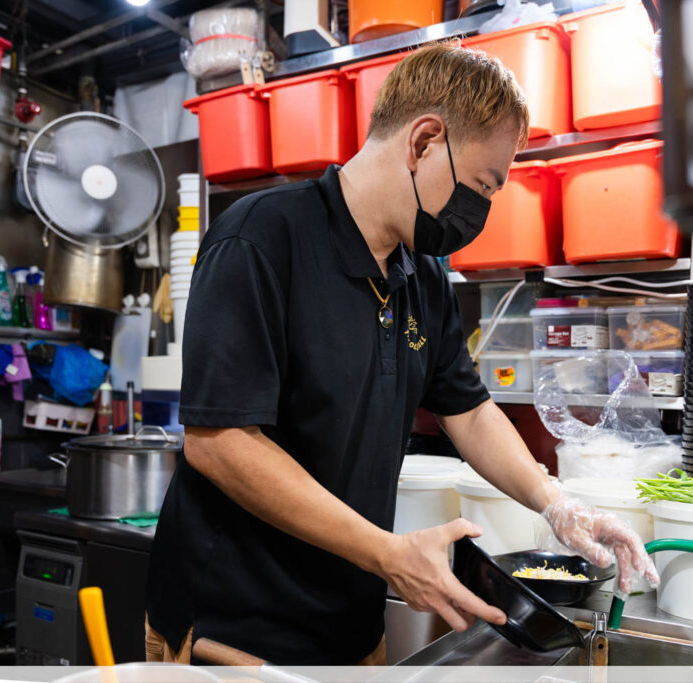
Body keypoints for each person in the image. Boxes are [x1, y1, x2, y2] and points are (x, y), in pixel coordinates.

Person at [145, 42, 659, 666]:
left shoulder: (423, 276)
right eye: (481, 186)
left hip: (350, 628)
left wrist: (556, 501)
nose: (481, 213)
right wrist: (386, 553)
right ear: (422, 142)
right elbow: (219, 440)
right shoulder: (261, 239)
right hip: (237, 635)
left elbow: (467, 411)